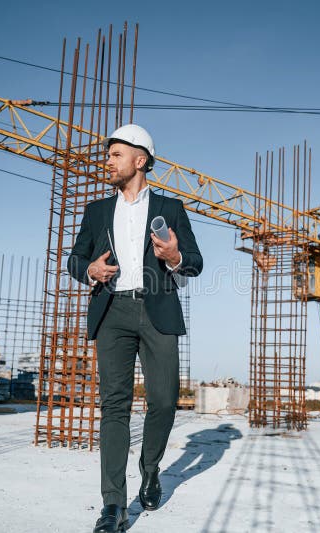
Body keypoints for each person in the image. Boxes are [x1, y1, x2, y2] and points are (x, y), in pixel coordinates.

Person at [67, 124, 203, 533]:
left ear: (139, 160)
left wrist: (176, 254)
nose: (107, 161)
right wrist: (89, 269)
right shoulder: (95, 212)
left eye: (115, 155)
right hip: (112, 313)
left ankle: (150, 467)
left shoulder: (172, 208)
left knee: (163, 401)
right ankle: (113, 505)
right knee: (114, 408)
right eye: (108, 155)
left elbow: (195, 262)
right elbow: (74, 260)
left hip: (157, 309)